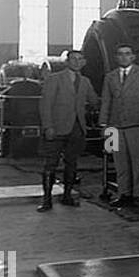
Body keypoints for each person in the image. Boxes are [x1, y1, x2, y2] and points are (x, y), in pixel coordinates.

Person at [36, 50, 98, 212]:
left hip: (77, 129)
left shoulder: (85, 81)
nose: (77, 62)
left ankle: (67, 196)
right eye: (73, 59)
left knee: (72, 163)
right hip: (56, 128)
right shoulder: (54, 79)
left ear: (84, 62)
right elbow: (45, 105)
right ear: (67, 62)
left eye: (80, 59)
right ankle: (47, 200)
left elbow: (94, 101)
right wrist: (48, 126)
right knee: (50, 164)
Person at [100, 44, 139, 210]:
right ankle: (124, 194)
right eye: (120, 54)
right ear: (116, 57)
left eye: (127, 54)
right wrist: (104, 124)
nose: (124, 57)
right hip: (115, 128)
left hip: (137, 125)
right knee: (119, 162)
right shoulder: (110, 77)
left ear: (133, 57)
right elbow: (106, 102)